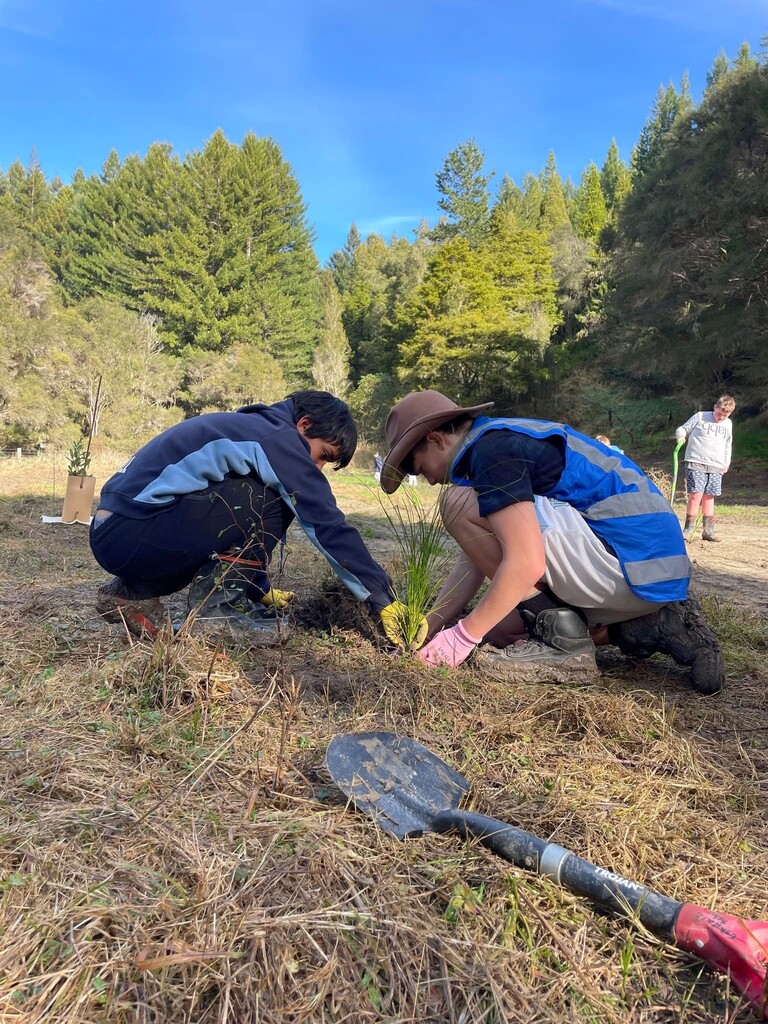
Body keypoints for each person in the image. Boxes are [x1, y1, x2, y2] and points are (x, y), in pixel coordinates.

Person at [380, 390, 724, 694]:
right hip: (649, 568)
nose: (421, 478)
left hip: (628, 558)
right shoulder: (499, 438)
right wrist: (436, 623)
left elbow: (526, 561)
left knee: (456, 504)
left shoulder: (492, 450)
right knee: (502, 629)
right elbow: (476, 553)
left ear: (436, 438)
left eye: (414, 465)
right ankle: (642, 624)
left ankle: (566, 645)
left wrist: (461, 638)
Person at [91, 390, 415, 646]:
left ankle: (131, 594)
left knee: (262, 490)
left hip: (120, 532)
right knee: (275, 497)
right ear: (304, 426)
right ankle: (217, 615)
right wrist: (380, 597)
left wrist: (255, 584)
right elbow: (328, 524)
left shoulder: (254, 427)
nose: (317, 469)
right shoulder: (278, 438)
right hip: (134, 531)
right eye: (322, 456)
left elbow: (222, 518)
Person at [675, 395, 736, 543]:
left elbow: (728, 444)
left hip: (716, 464)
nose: (721, 417)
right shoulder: (700, 416)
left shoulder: (728, 424)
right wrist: (681, 437)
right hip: (696, 461)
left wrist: (726, 463)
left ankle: (708, 530)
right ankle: (688, 529)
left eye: (725, 415)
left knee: (709, 496)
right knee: (696, 494)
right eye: (719, 413)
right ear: (715, 407)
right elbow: (683, 428)